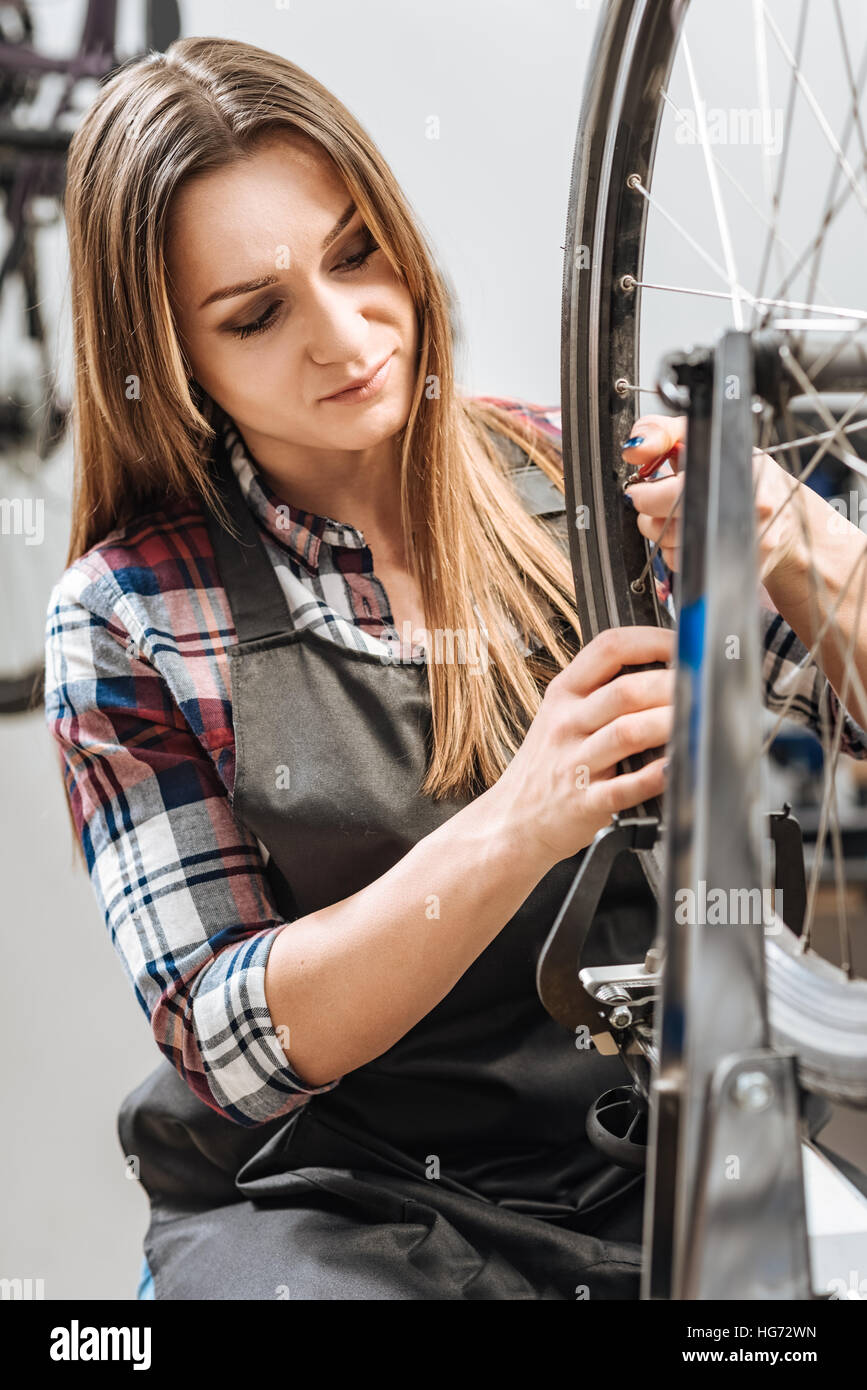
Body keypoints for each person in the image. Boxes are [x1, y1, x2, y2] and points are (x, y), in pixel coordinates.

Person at [43, 35, 867, 1301]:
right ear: (168, 360)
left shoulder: (585, 481)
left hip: (645, 1158)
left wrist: (798, 547)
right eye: (255, 315)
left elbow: (836, 765)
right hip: (337, 1205)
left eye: (357, 249)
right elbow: (234, 1040)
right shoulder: (130, 614)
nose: (344, 332)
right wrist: (518, 824)